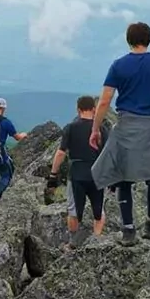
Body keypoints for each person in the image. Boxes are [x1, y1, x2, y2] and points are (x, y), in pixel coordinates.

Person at [89, 21, 150, 245]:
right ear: (149, 39)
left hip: (126, 127)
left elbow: (104, 101)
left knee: (123, 179)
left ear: (128, 40)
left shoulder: (118, 66)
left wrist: (95, 129)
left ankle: (129, 230)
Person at [47, 95, 109, 248]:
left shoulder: (71, 128)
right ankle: (96, 241)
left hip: (76, 174)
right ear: (94, 110)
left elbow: (61, 153)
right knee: (99, 209)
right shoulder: (101, 129)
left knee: (73, 210)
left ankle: (73, 243)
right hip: (97, 174)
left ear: (78, 109)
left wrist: (53, 175)